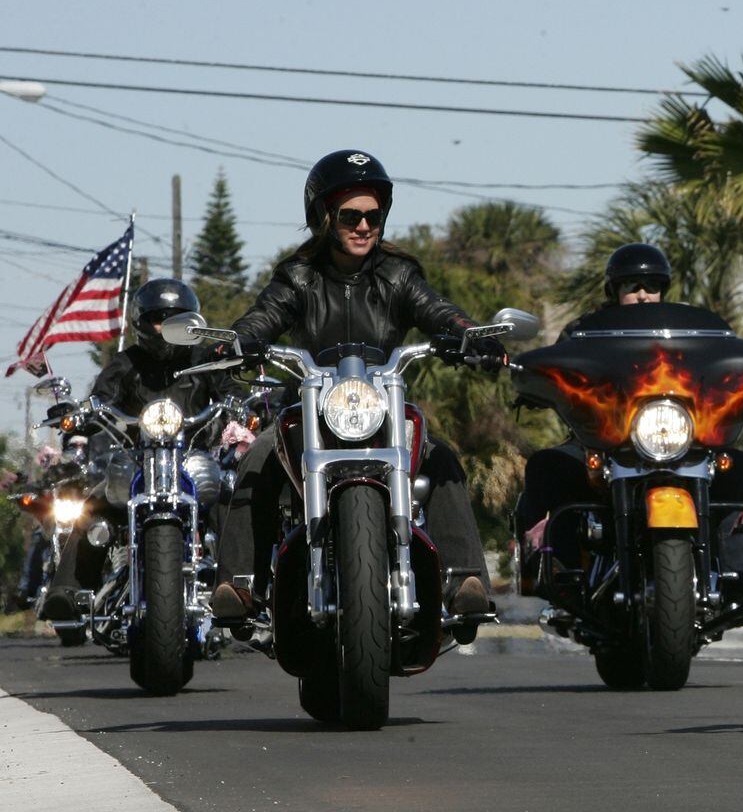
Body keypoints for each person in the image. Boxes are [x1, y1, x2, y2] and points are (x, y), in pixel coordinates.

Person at [210, 149, 499, 620]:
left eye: (373, 215)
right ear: (324, 217)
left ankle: (463, 579)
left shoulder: (398, 275)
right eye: (351, 215)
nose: (364, 225)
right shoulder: (298, 277)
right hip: (311, 407)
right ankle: (239, 584)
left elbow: (437, 310)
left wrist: (468, 333)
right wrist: (237, 342)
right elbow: (263, 317)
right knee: (259, 458)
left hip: (383, 404)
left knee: (440, 455)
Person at [514, 243, 743, 594]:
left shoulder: (689, 331)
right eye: (633, 287)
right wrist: (539, 383)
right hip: (601, 444)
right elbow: (560, 365)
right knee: (546, 464)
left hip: (679, 439)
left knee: (735, 466)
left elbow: (715, 365)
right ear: (615, 291)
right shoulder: (584, 332)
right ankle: (560, 567)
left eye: (652, 287)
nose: (643, 295)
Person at [38, 279, 232, 622]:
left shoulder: (203, 361)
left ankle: (235, 586)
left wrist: (244, 405)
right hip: (138, 459)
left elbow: (229, 391)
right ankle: (65, 590)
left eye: (177, 318)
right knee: (93, 504)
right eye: (160, 318)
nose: (167, 327)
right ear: (143, 322)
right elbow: (101, 397)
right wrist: (82, 414)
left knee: (229, 496)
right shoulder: (127, 363)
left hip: (193, 459)